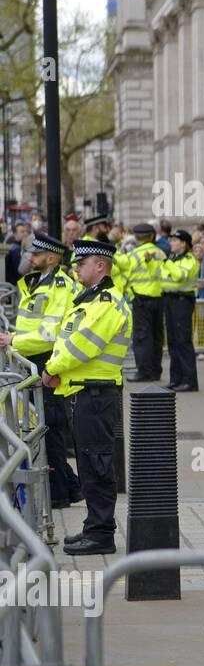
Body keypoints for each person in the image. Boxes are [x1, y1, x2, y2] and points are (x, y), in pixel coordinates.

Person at [44, 239, 132, 555]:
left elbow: (83, 345)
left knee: (97, 465)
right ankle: (93, 528)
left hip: (95, 394)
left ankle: (101, 534)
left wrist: (52, 367)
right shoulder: (89, 300)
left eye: (82, 263)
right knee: (89, 464)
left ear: (100, 265)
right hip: (82, 393)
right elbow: (66, 339)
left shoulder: (107, 302)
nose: (76, 268)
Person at [0, 232, 81, 507]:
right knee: (44, 426)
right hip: (33, 361)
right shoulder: (36, 283)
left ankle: (59, 493)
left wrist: (14, 341)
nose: (29, 258)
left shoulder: (59, 286)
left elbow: (49, 333)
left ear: (50, 258)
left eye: (34, 255)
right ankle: (69, 486)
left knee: (51, 427)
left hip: (48, 360)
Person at [124, 222, 167, 382]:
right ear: (151, 236)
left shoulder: (132, 255)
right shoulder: (160, 253)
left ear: (136, 237)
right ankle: (156, 370)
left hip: (141, 300)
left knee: (142, 337)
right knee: (157, 336)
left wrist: (130, 294)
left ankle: (144, 371)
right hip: (159, 298)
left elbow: (125, 278)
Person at [159, 228, 199, 392]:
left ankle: (190, 380)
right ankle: (176, 379)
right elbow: (164, 278)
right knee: (173, 342)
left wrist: (167, 263)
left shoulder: (189, 260)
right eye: (171, 240)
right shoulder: (174, 259)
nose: (171, 243)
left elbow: (179, 277)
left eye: (175, 240)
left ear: (183, 244)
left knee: (183, 340)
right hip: (169, 300)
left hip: (182, 301)